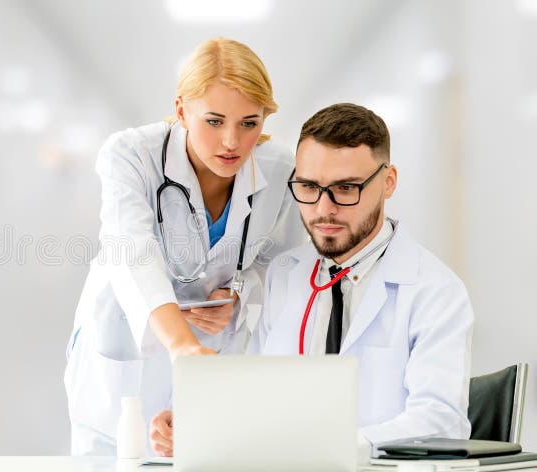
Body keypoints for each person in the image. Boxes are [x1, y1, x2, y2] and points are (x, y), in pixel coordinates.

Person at [150, 103, 474, 458]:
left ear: (388, 182)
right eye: (308, 187)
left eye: (346, 188)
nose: (323, 209)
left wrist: (336, 448)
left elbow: (443, 422)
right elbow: (257, 396)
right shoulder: (285, 275)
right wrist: (201, 424)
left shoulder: (435, 291)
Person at [64, 37, 305, 455]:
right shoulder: (131, 155)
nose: (231, 141)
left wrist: (239, 292)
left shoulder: (279, 168)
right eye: (214, 121)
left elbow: (278, 262)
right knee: (120, 454)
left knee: (205, 454)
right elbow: (130, 250)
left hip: (210, 356)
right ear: (181, 110)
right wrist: (180, 344)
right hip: (126, 353)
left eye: (250, 123)